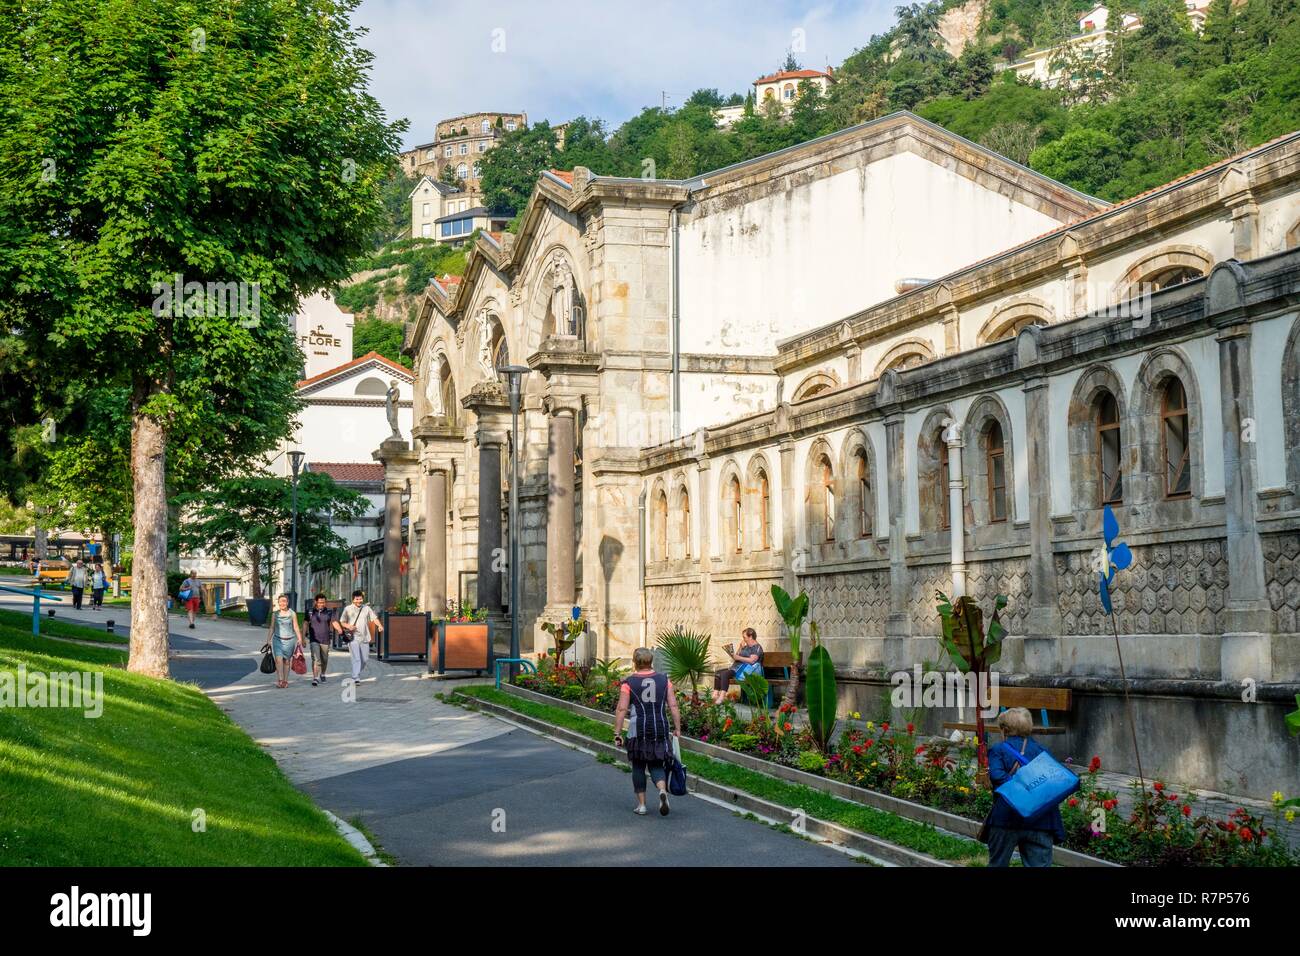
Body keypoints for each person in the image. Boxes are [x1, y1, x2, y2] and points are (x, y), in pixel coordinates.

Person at [985, 707, 1067, 867]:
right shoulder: (1042, 751)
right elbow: (1054, 781)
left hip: (1006, 818)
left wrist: (1019, 790)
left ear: (1004, 730)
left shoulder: (998, 750)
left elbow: (996, 776)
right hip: (1041, 820)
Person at [613, 647, 682, 817]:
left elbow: (622, 708)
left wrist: (617, 732)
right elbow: (673, 705)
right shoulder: (665, 680)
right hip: (660, 727)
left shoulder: (628, 683)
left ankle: (642, 805)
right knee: (656, 764)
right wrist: (677, 728)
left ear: (635, 662)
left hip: (638, 729)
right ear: (651, 662)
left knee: (638, 765)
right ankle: (662, 791)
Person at [338, 589, 382, 683]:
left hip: (365, 637)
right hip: (353, 637)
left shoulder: (367, 608)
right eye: (357, 599)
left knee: (365, 659)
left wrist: (379, 625)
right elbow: (342, 622)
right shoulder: (347, 609)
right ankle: (355, 677)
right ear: (353, 600)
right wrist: (349, 626)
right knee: (356, 658)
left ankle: (356, 671)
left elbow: (374, 618)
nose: (359, 601)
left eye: (360, 599)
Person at [712, 627, 763, 705]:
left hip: (744, 670)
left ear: (751, 637)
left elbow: (752, 660)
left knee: (724, 674)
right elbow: (737, 656)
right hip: (736, 668)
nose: (744, 639)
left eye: (744, 637)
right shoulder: (746, 647)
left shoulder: (756, 647)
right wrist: (740, 647)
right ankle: (715, 695)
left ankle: (722, 697)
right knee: (718, 672)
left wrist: (738, 657)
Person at [266, 593, 304, 689]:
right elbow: (272, 628)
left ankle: (286, 681)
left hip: (290, 641)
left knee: (286, 661)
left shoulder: (292, 614)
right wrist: (268, 640)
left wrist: (299, 638)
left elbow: (296, 627)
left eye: (284, 601)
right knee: (278, 660)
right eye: (280, 602)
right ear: (278, 603)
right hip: (277, 640)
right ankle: (280, 680)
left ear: (287, 602)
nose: (282, 603)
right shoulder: (275, 614)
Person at [305, 593, 341, 687]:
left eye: (323, 602)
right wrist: (302, 637)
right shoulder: (310, 611)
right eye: (320, 602)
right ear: (316, 602)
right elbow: (305, 623)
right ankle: (315, 678)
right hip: (314, 639)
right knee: (316, 659)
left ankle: (323, 674)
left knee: (324, 659)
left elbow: (334, 622)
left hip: (325, 639)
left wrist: (339, 629)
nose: (322, 604)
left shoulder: (329, 611)